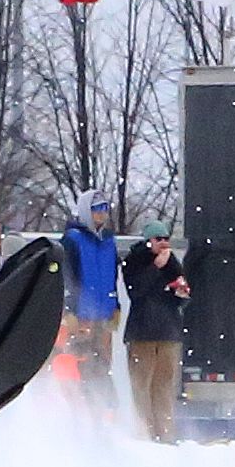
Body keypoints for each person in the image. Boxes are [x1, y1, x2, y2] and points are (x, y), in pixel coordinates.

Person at [121, 220, 190, 441]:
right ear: (148, 241)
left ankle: (165, 434)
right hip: (142, 334)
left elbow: (179, 294)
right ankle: (144, 434)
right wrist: (155, 268)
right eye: (158, 239)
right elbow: (136, 292)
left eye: (166, 239)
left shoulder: (172, 262)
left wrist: (180, 294)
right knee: (142, 386)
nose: (163, 243)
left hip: (168, 334)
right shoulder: (134, 261)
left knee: (164, 387)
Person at [59, 189, 122, 402]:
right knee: (78, 364)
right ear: (86, 211)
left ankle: (101, 416)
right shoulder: (73, 240)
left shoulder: (108, 241)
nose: (102, 214)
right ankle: (79, 415)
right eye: (97, 209)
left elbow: (112, 276)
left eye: (105, 209)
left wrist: (116, 305)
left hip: (103, 314)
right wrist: (69, 308)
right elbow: (66, 275)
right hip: (81, 313)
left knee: (103, 366)